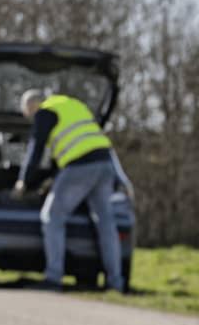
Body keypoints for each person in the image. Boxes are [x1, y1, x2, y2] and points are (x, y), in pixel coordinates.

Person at [13, 89, 124, 292]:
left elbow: (36, 148)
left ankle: (53, 277)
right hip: (105, 163)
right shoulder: (72, 104)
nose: (28, 117)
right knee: (106, 223)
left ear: (31, 106)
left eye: (26, 112)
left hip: (81, 166)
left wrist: (24, 181)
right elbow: (68, 148)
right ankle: (115, 283)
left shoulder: (44, 112)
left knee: (52, 216)